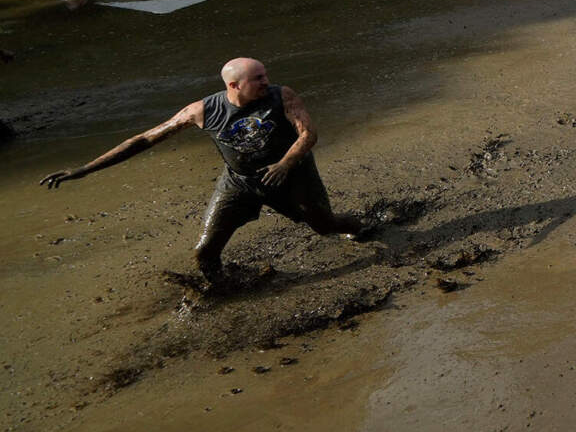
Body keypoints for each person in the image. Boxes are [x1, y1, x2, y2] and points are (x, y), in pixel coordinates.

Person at [39, 57, 368, 282]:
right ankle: (221, 290)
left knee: (325, 226)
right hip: (238, 184)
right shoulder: (202, 111)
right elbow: (143, 139)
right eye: (258, 79)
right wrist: (84, 169)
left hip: (291, 174)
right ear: (235, 86)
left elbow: (308, 134)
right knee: (204, 251)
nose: (267, 81)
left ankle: (365, 228)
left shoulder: (282, 96)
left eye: (265, 75)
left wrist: (285, 163)